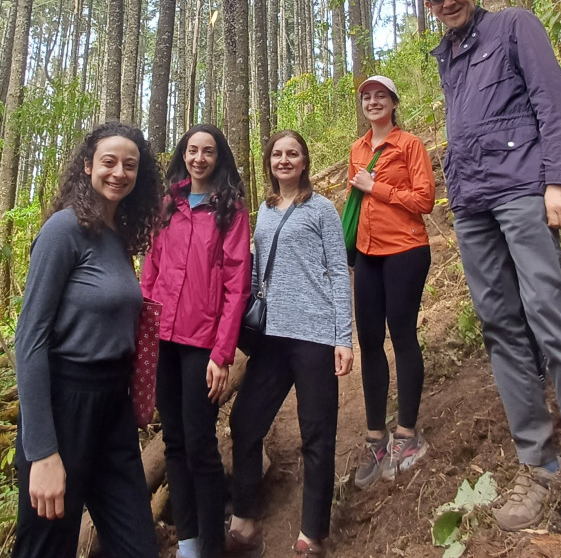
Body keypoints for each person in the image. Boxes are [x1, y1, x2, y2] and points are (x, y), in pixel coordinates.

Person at [421, 0, 561, 558]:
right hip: (473, 205)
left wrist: (560, 180)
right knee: (501, 328)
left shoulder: (513, 25)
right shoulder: (447, 56)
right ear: (429, 6)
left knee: (551, 319)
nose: (447, 2)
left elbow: (552, 98)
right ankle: (538, 465)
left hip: (522, 191)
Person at [12, 122, 163, 558]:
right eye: (109, 162)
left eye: (130, 165)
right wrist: (43, 452)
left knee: (137, 545)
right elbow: (30, 340)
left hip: (113, 407)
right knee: (47, 546)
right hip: (66, 404)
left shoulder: (118, 236)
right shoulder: (63, 230)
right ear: (87, 166)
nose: (119, 173)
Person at [227, 130, 354, 558]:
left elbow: (339, 272)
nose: (284, 160)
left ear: (304, 162)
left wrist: (343, 338)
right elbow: (254, 270)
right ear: (269, 162)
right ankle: (245, 522)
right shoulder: (263, 210)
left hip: (314, 335)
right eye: (277, 154)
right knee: (245, 423)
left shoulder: (322, 209)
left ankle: (312, 534)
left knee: (317, 432)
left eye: (293, 154)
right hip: (271, 338)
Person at [141, 125, 252, 558]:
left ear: (219, 157)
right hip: (162, 339)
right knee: (174, 441)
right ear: (183, 155)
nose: (199, 158)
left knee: (200, 443)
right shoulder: (168, 203)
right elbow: (151, 271)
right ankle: (187, 543)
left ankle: (211, 545)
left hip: (203, 342)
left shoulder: (230, 209)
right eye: (192, 150)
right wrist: (144, 337)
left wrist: (222, 354)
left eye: (208, 151)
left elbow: (236, 286)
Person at [348, 75, 436, 488]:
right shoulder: (358, 149)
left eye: (380, 96)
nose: (372, 102)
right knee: (368, 341)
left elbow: (425, 199)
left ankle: (407, 435)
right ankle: (376, 439)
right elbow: (357, 202)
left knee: (402, 336)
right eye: (367, 97)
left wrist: (377, 188)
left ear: (394, 102)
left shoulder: (410, 145)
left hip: (405, 250)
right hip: (367, 254)